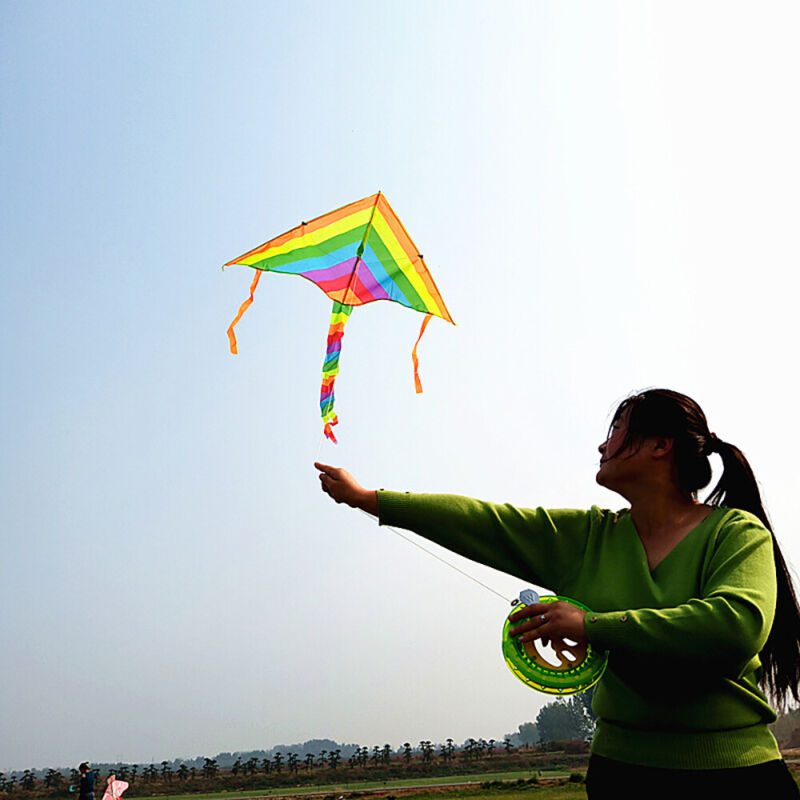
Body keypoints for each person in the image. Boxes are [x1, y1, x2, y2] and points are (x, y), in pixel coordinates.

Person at [315, 389, 800, 798]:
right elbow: (485, 521)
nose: (602, 444)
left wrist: (589, 626)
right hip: (622, 775)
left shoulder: (736, 532)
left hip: (736, 774)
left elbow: (734, 627)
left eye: (617, 430)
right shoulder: (589, 537)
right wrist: (367, 499)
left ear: (660, 445)